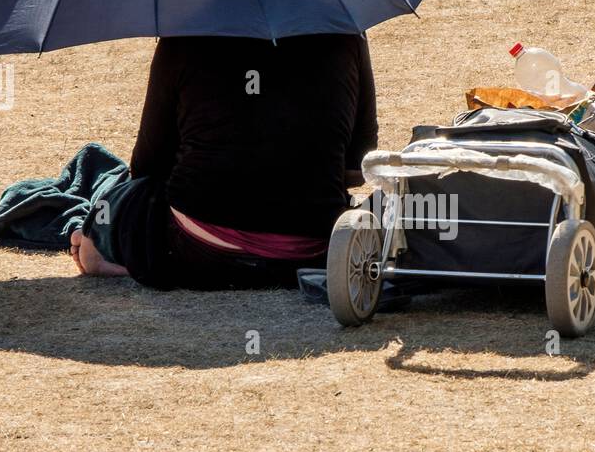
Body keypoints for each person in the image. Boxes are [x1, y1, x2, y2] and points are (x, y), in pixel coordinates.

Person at [70, 33, 377, 289]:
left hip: (197, 247)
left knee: (124, 197)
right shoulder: (346, 32)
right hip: (314, 249)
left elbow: (149, 167)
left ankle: (101, 251)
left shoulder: (184, 37)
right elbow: (357, 167)